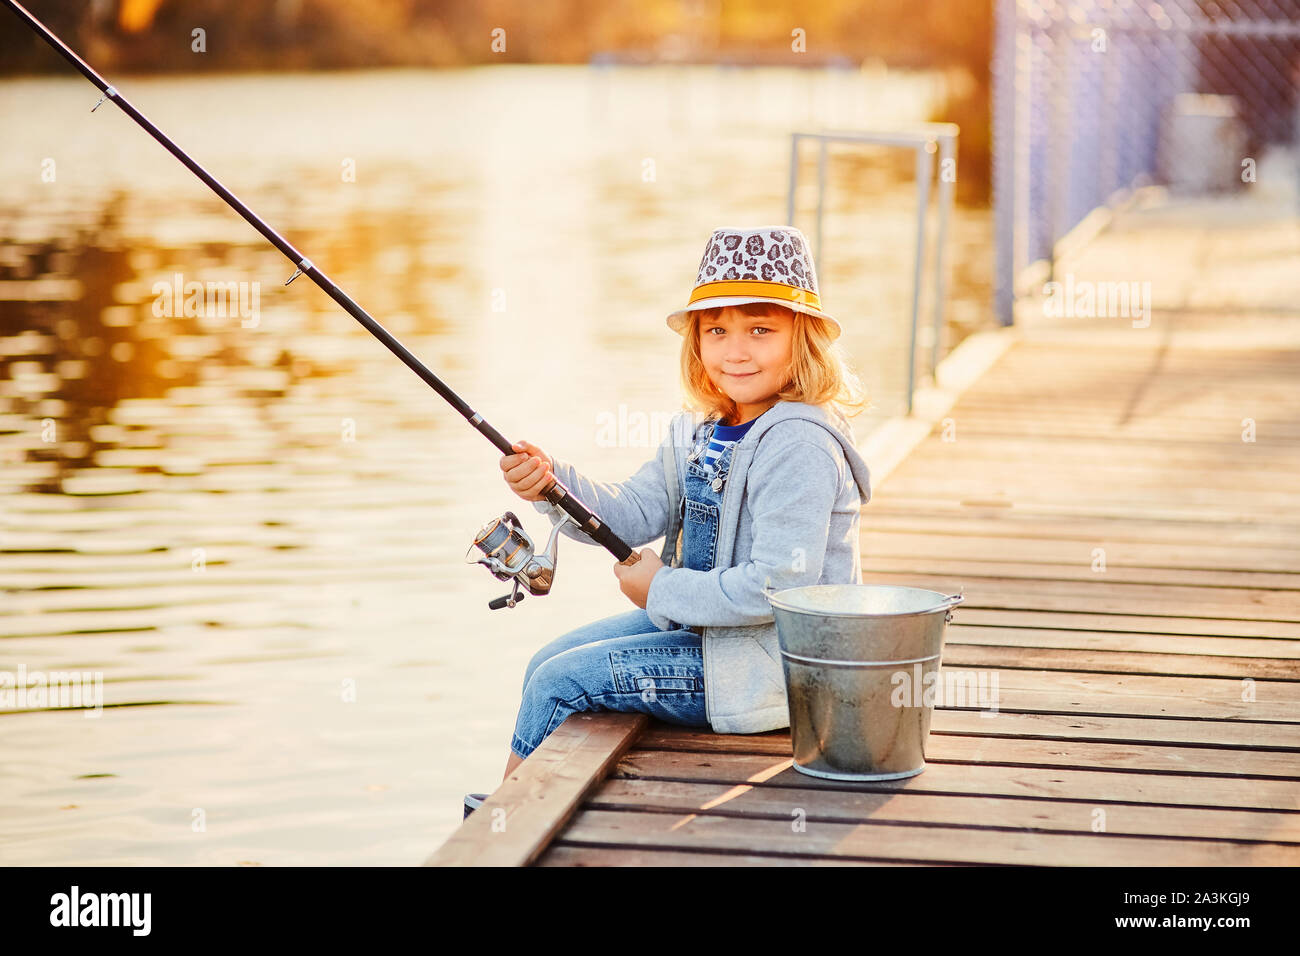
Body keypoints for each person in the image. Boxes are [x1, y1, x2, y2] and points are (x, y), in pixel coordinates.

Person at [464, 226, 873, 817]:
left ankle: (505, 827)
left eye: (761, 330)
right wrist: (553, 484)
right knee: (544, 663)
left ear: (801, 338)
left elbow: (780, 585)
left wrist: (660, 588)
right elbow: (630, 515)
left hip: (773, 673)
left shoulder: (798, 444)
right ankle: (514, 810)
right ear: (698, 342)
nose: (736, 350)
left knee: (561, 683)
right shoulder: (701, 430)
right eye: (717, 330)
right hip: (710, 639)